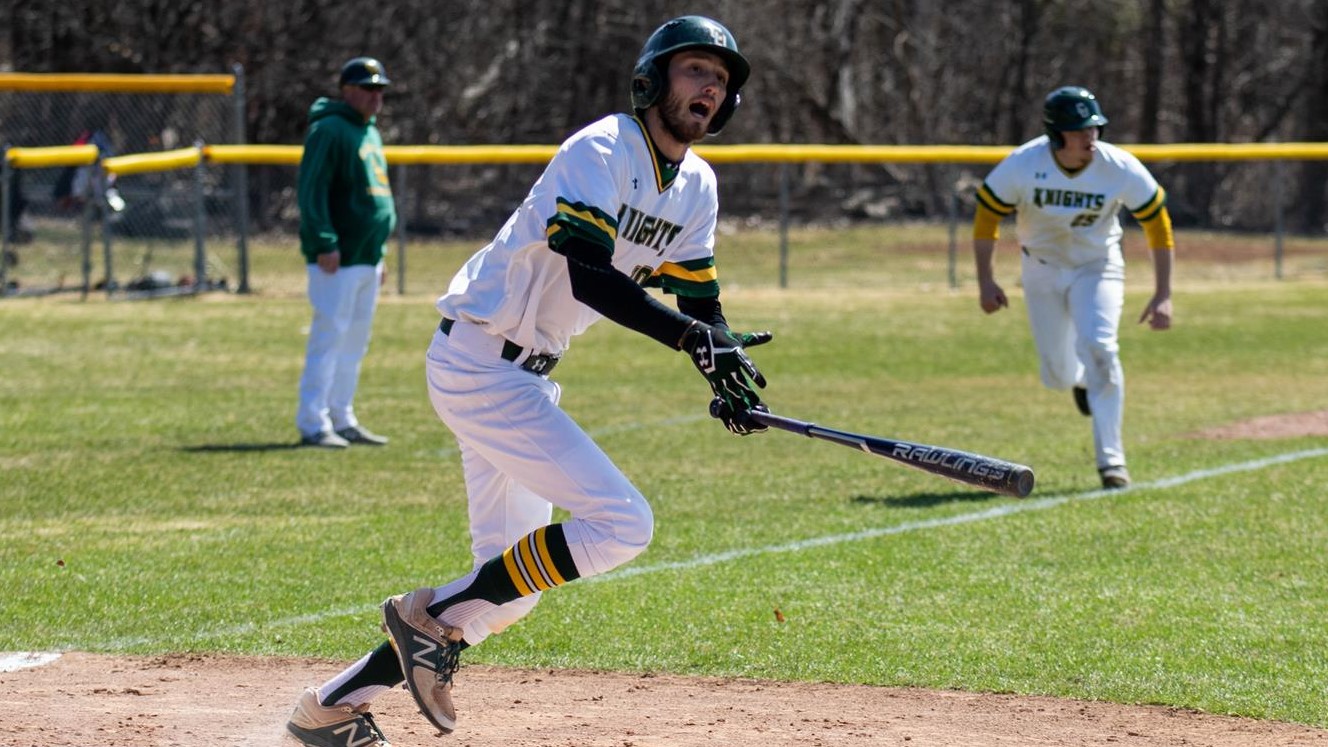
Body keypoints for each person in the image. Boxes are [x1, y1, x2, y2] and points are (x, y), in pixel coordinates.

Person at [285, 15, 771, 746]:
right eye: (696, 69)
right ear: (654, 77)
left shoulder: (696, 184)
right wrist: (688, 338)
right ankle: (421, 613)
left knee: (508, 594)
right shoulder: (603, 148)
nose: (709, 86)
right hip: (481, 360)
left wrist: (726, 363)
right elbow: (592, 276)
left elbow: (698, 298)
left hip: (524, 377)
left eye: (721, 79)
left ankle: (327, 708)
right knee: (622, 524)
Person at [972, 85, 1175, 490]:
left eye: (1094, 127)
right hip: (1041, 269)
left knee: (1101, 348)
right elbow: (985, 218)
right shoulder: (1023, 165)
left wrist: (1163, 292)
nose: (1090, 136)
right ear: (1056, 134)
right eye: (1079, 130)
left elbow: (1157, 223)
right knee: (1058, 374)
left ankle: (1112, 463)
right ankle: (1079, 383)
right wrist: (985, 280)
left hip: (1097, 267)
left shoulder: (1118, 167)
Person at [294, 56, 397, 449]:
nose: (376, 97)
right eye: (369, 89)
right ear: (347, 90)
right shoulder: (330, 129)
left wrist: (379, 251)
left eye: (380, 89)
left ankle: (342, 415)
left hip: (366, 256)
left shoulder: (368, 131)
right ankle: (313, 422)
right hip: (337, 257)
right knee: (329, 336)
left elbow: (376, 197)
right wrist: (324, 240)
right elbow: (312, 189)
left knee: (355, 341)